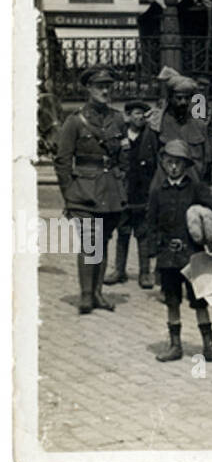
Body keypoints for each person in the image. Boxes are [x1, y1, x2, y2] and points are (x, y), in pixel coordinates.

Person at [146, 139, 212, 364]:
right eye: (169, 162)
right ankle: (175, 345)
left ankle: (209, 346)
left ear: (186, 165)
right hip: (168, 257)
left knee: (201, 300)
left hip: (194, 255)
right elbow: (151, 223)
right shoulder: (158, 192)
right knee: (172, 300)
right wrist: (154, 250)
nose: (174, 167)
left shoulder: (195, 189)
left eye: (178, 163)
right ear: (163, 163)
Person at [54, 66, 127, 314]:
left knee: (103, 241)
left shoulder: (118, 119)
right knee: (89, 242)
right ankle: (85, 294)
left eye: (108, 86)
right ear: (89, 89)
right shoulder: (75, 121)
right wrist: (70, 194)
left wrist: (122, 185)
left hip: (110, 189)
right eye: (100, 86)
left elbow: (123, 156)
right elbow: (63, 160)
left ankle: (98, 292)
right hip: (83, 190)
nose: (105, 91)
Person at [105, 98, 158, 288]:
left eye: (143, 114)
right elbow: (111, 160)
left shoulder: (151, 136)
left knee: (143, 233)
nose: (141, 117)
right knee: (123, 231)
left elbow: (157, 164)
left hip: (143, 192)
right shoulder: (119, 136)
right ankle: (119, 270)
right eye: (136, 113)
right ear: (128, 116)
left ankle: (145, 273)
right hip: (124, 191)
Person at [156, 76, 212, 185]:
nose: (183, 102)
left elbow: (208, 160)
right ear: (170, 98)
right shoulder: (158, 124)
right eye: (179, 98)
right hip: (165, 189)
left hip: (193, 187)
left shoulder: (200, 125)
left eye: (187, 98)